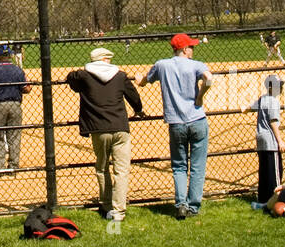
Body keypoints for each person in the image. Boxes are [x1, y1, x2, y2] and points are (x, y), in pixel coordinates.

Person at [138, 33, 212, 219]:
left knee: (179, 166)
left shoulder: (162, 65)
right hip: (197, 120)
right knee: (197, 166)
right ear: (184, 49)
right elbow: (209, 79)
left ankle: (181, 204)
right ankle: (193, 206)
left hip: (176, 123)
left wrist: (140, 79)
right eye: (191, 47)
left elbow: (144, 81)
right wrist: (200, 96)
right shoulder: (196, 65)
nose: (193, 50)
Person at [66, 46, 144, 222]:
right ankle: (119, 210)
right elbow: (133, 96)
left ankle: (106, 204)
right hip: (120, 127)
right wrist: (138, 110)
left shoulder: (84, 76)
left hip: (98, 128)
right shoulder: (120, 75)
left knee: (102, 168)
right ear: (105, 59)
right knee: (121, 170)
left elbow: (71, 79)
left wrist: (79, 72)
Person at [0, 47, 30, 173]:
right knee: (14, 137)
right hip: (15, 105)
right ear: (10, 56)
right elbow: (27, 89)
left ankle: (0, 167)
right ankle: (13, 166)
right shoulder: (18, 70)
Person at [246, 75, 285, 207]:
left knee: (264, 170)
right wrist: (280, 141)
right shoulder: (273, 102)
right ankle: (274, 200)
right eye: (278, 85)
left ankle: (262, 200)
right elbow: (273, 122)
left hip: (260, 139)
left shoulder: (263, 98)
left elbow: (250, 107)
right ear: (270, 87)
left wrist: (244, 109)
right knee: (275, 172)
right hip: (270, 140)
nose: (281, 88)